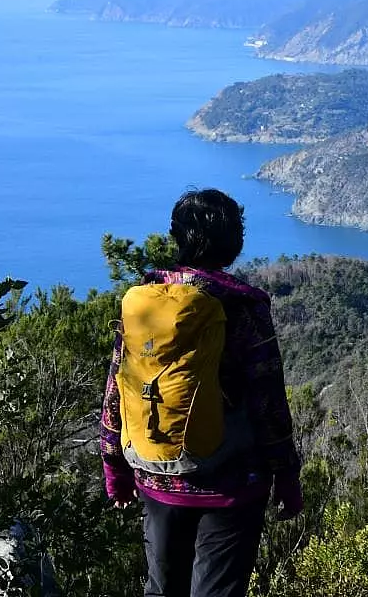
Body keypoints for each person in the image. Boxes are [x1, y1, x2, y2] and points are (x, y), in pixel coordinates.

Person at [100, 188, 303, 597]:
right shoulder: (242, 307)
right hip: (231, 484)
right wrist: (286, 474)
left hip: (156, 473)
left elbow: (117, 391)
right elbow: (269, 400)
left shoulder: (143, 303)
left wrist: (115, 469)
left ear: (177, 236)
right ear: (235, 242)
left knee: (161, 589)